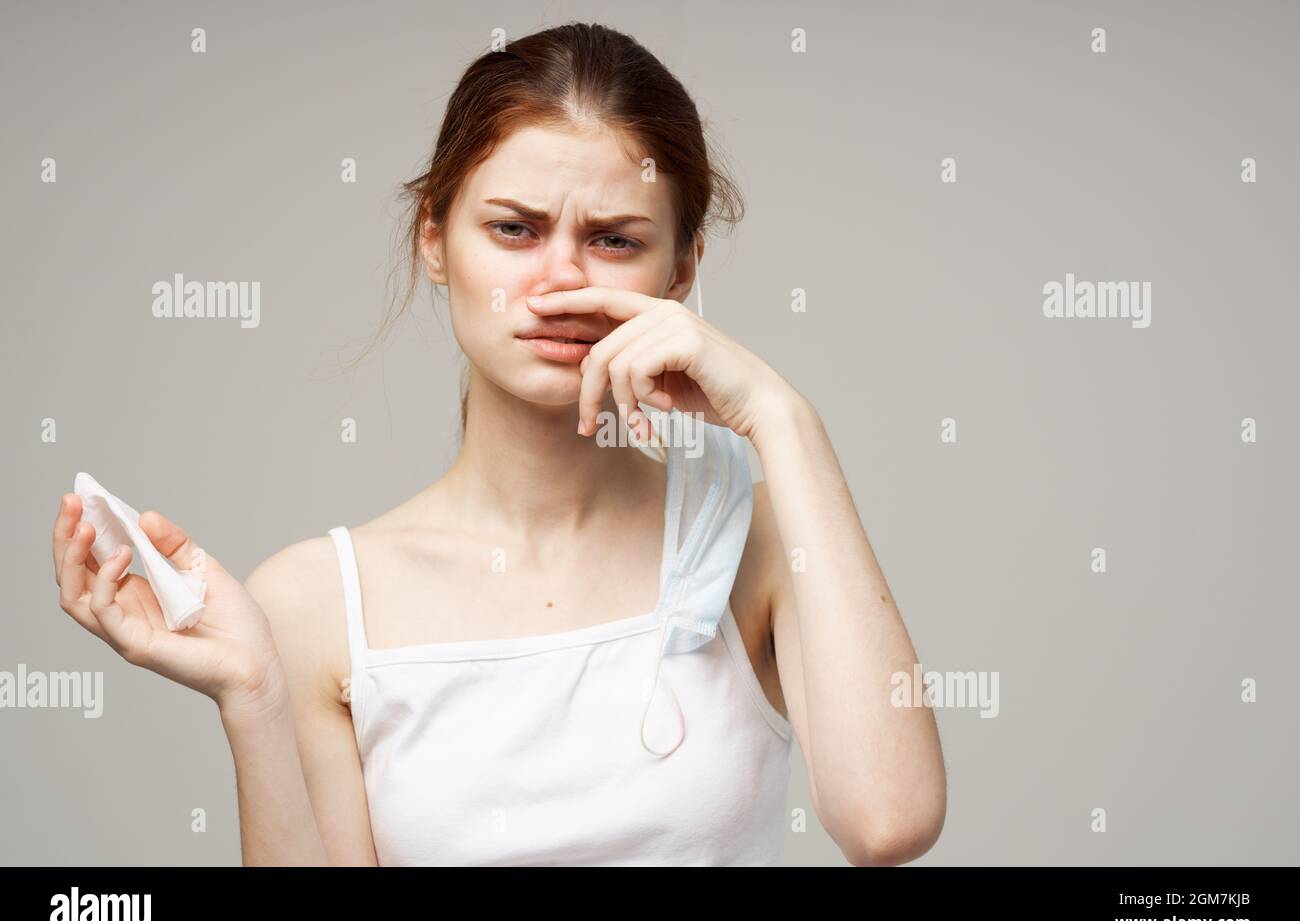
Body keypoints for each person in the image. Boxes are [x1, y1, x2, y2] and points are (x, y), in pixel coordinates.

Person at [51, 22, 946, 866]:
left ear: (681, 271)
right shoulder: (318, 601)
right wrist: (252, 695)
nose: (560, 280)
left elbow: (888, 822)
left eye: (614, 240)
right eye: (513, 229)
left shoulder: (754, 539)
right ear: (434, 240)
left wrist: (782, 418)